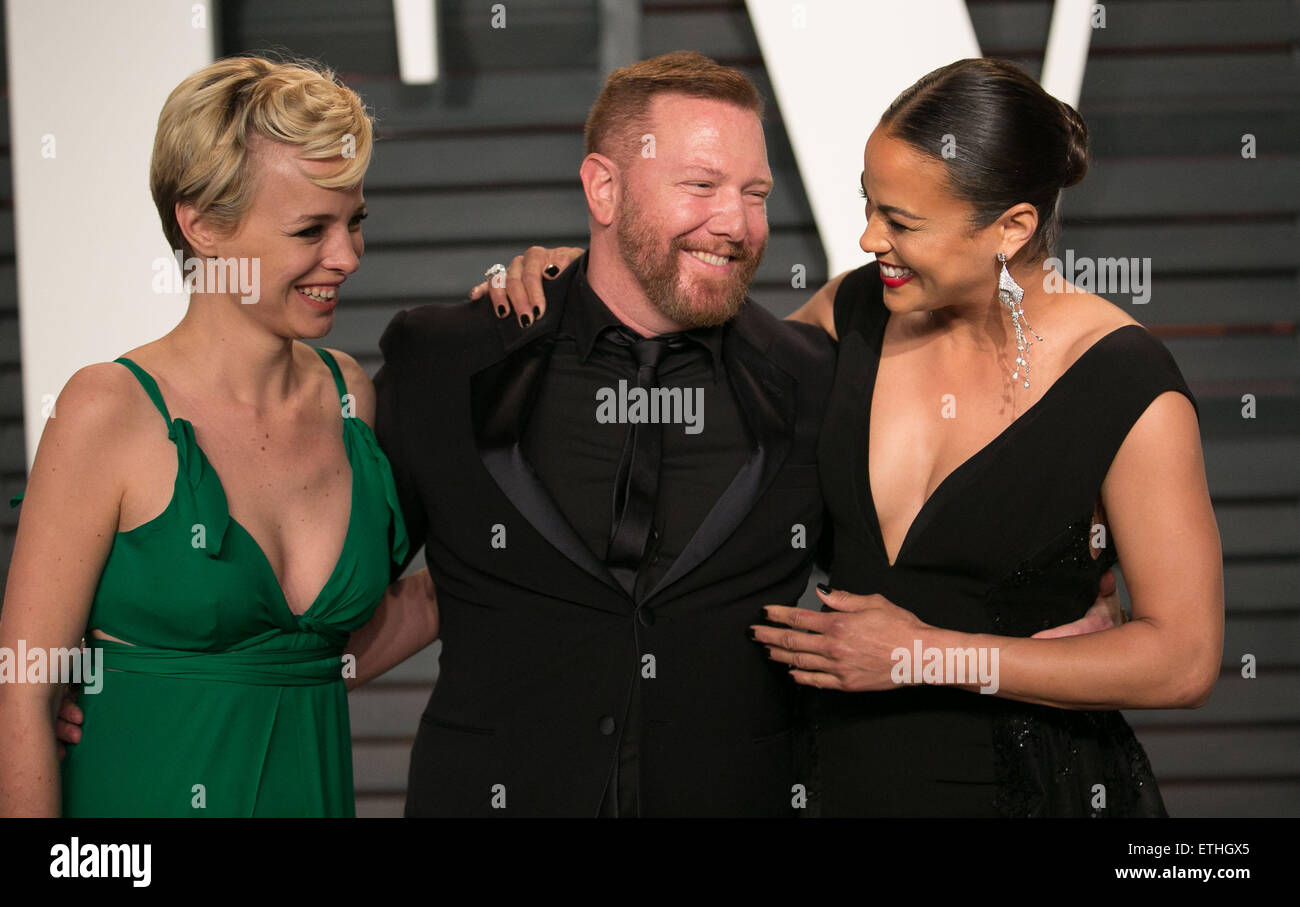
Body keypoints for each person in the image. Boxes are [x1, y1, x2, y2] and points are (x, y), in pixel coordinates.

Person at [382, 51, 1118, 817]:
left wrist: (1069, 597)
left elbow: (923, 556)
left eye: (755, 193)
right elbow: (356, 599)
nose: (733, 223)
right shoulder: (445, 358)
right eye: (700, 186)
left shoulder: (814, 376)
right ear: (604, 187)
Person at [0, 55, 435, 817]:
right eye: (311, 229)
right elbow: (21, 702)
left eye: (354, 221)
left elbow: (313, 660)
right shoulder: (108, 409)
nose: (348, 256)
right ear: (200, 225)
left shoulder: (347, 395)